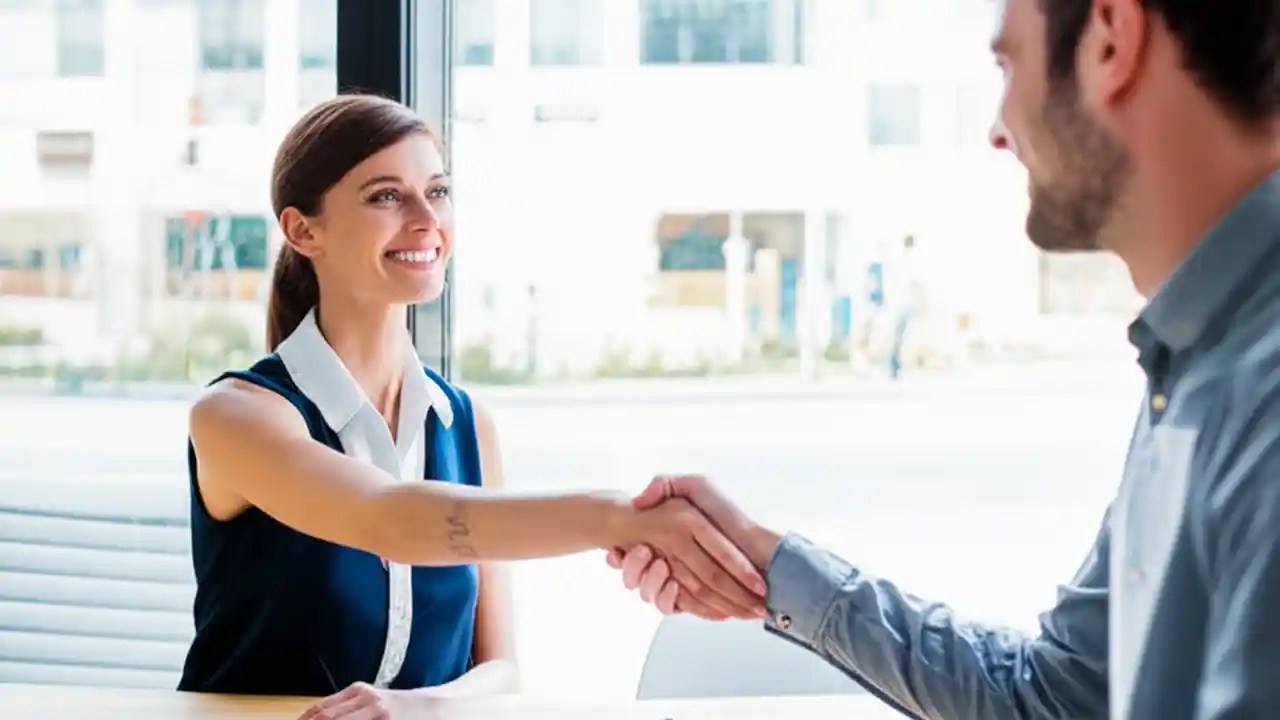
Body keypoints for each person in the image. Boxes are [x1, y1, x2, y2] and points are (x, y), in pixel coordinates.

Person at [610, 1, 1280, 718]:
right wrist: (765, 568)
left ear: (1110, 41)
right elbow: (1059, 700)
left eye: (1008, 63)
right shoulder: (1196, 362)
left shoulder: (1257, 396)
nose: (998, 129)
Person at [178, 94, 767, 719]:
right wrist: (623, 519)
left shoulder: (464, 425)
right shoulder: (238, 416)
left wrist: (418, 705)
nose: (425, 218)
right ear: (304, 230)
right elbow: (389, 518)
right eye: (385, 196)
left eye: (437, 191)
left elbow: (500, 667)